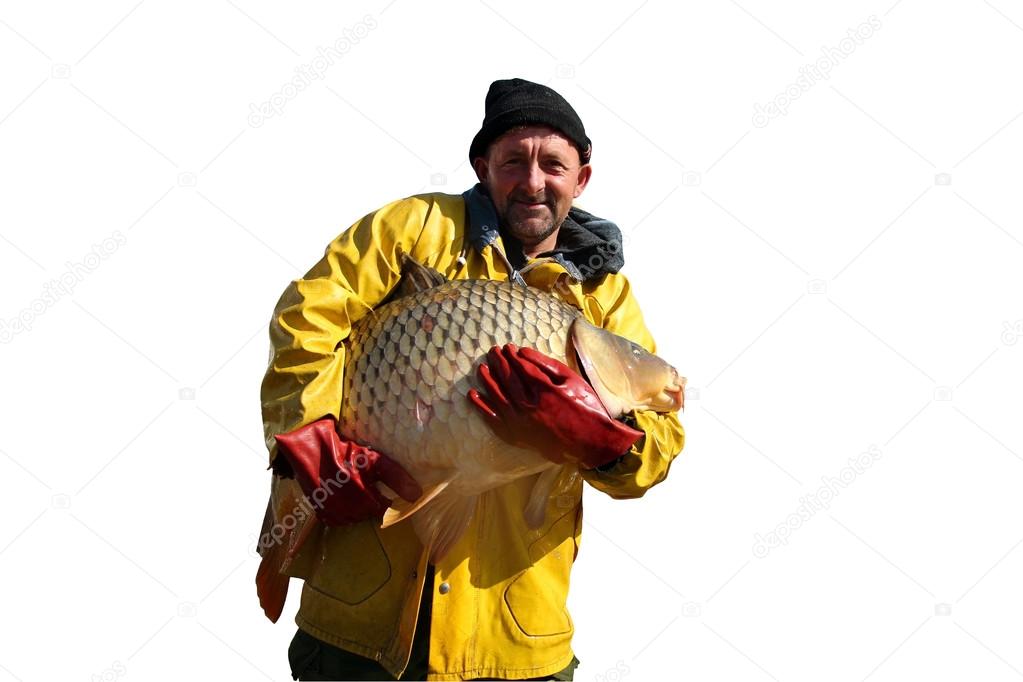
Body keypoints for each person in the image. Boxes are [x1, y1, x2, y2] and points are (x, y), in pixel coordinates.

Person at [258, 77, 685, 681]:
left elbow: (660, 439)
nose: (533, 181)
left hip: (513, 641)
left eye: (553, 164)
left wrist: (609, 446)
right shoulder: (415, 227)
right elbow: (307, 318)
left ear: (581, 178)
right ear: (484, 167)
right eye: (514, 161)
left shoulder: (603, 296)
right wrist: (312, 440)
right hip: (361, 624)